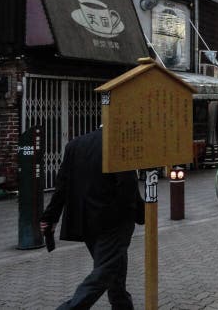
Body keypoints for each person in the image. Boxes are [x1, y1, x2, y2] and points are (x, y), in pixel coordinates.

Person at [41, 128, 144, 309]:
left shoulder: (75, 145)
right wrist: (140, 214)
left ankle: (122, 305)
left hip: (85, 220)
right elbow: (128, 185)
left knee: (113, 266)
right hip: (114, 221)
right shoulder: (118, 144)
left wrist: (51, 217)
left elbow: (61, 186)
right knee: (104, 271)